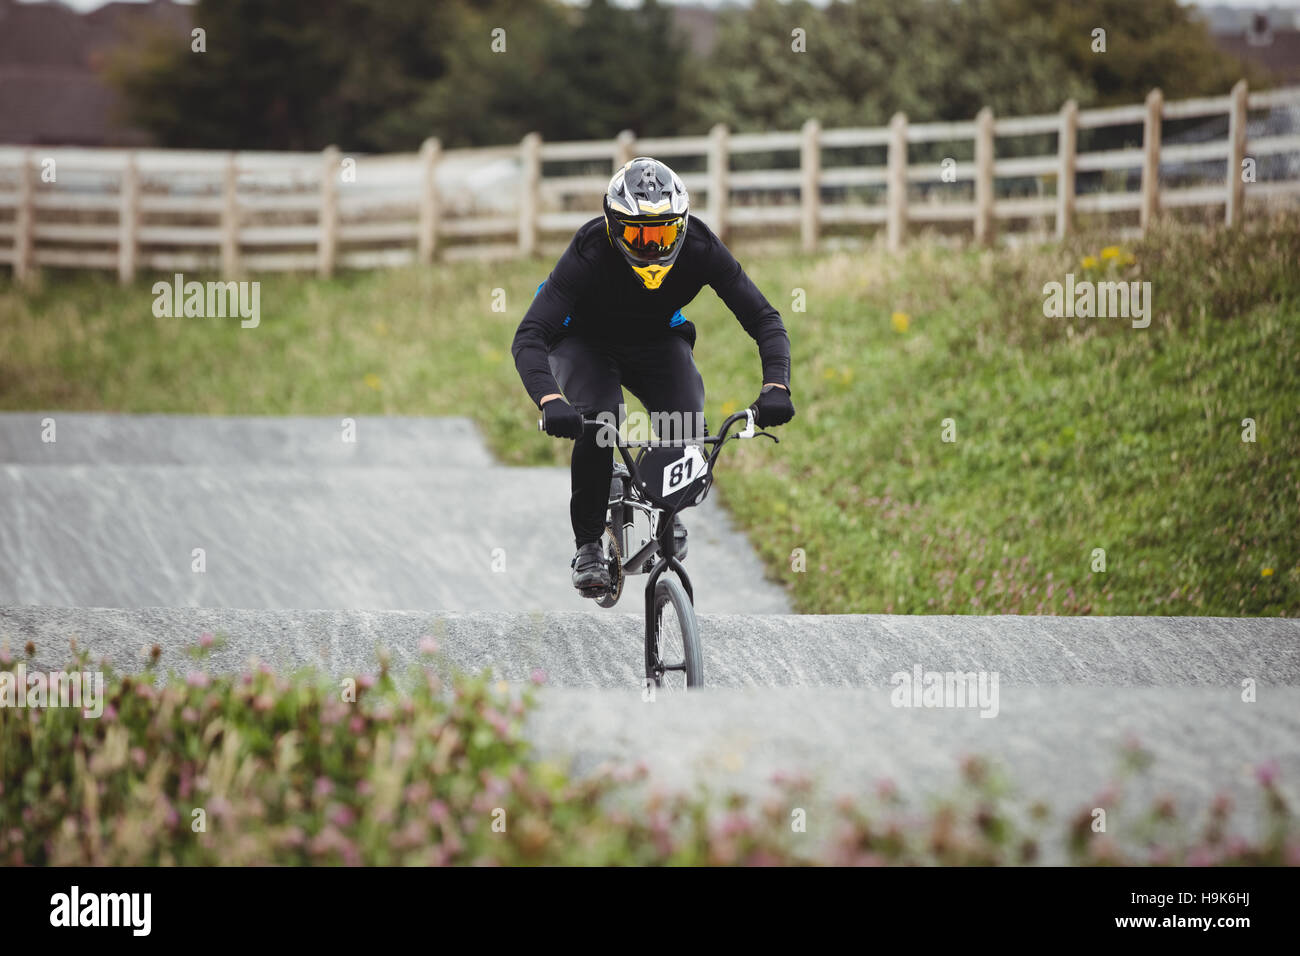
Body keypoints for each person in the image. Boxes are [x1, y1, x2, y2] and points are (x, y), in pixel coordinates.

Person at [511, 156, 794, 594]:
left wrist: (776, 386)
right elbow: (529, 336)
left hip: (655, 338)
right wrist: (551, 401)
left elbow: (764, 319)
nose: (650, 247)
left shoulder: (701, 247)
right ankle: (588, 543)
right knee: (600, 419)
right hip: (582, 339)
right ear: (612, 225)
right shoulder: (589, 250)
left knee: (685, 422)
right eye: (637, 234)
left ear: (680, 226)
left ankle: (667, 507)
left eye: (661, 234)